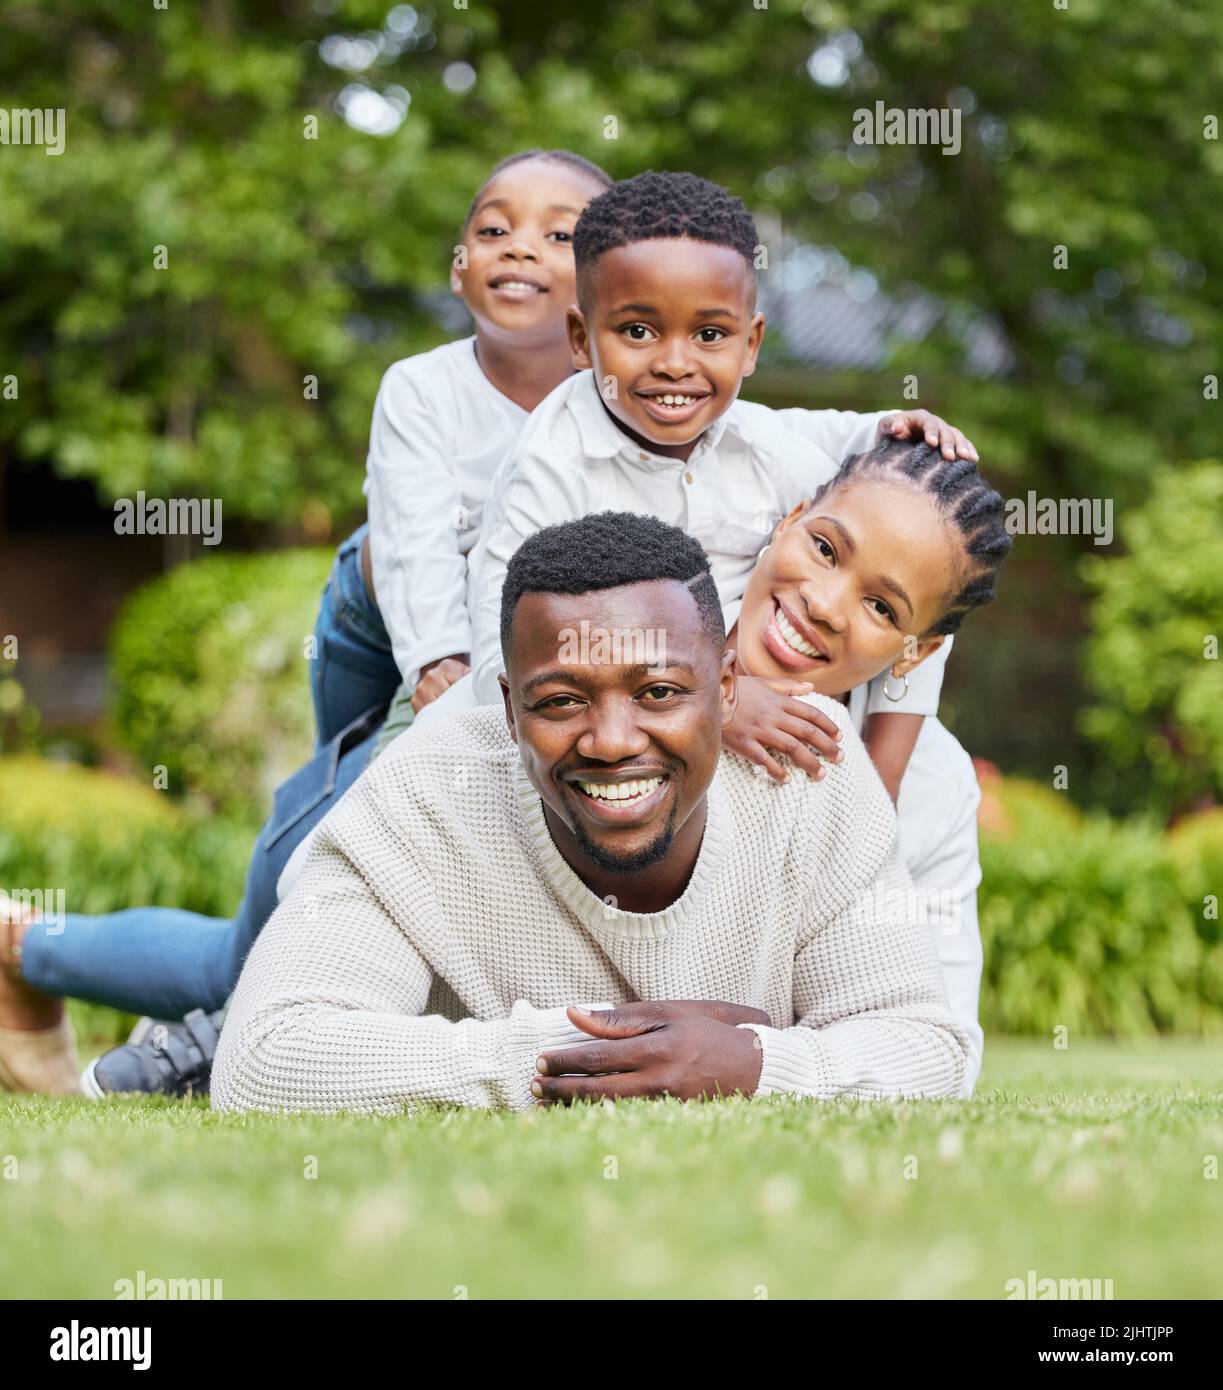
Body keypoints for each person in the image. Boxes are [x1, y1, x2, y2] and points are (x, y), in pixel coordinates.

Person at [0, 147, 614, 1097]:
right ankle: (58, 953)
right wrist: (438, 664)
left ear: (612, 277)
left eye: (559, 232)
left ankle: (37, 948)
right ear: (458, 270)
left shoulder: (623, 401)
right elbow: (412, 549)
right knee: (320, 859)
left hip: (498, 674)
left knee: (247, 957)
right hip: (387, 634)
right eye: (492, 229)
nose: (519, 246)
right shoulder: (423, 386)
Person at [211, 512, 972, 1115]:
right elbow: (264, 1060)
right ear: (509, 709)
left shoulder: (813, 768)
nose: (611, 742)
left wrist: (747, 1064)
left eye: (659, 693)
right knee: (214, 968)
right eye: (561, 701)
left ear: (727, 687)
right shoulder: (424, 792)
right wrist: (593, 1056)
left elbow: (926, 1049)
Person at [462, 170, 978, 807]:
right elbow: (501, 664)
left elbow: (929, 581)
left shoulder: (766, 448)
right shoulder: (549, 468)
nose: (675, 363)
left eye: (709, 335)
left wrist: (883, 779)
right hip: (608, 748)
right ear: (580, 339)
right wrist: (714, 700)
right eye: (637, 331)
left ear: (751, 344)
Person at [731, 436, 1012, 1091]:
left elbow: (943, 1051)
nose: (824, 605)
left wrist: (752, 1061)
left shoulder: (932, 785)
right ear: (789, 519)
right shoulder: (629, 663)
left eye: (882, 608)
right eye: (825, 549)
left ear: (917, 654)